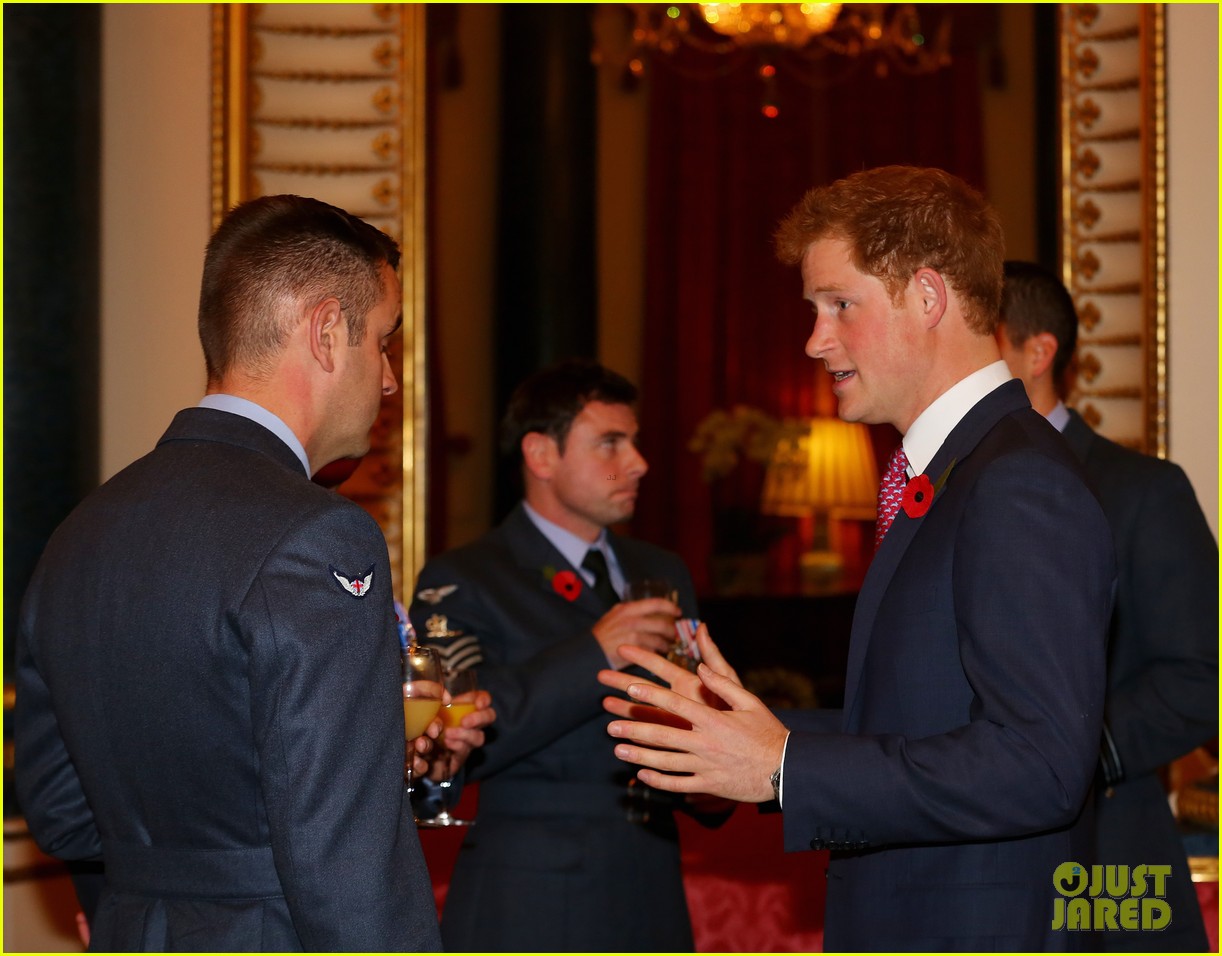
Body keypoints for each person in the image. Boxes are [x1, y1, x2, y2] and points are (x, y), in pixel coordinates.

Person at [600, 166, 1117, 951]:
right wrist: (744, 735)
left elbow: (1041, 763)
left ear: (929, 296)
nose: (815, 339)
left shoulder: (1015, 482)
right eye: (814, 310)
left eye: (840, 304)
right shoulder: (951, 472)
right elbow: (923, 721)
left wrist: (783, 769)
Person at [14, 194, 468, 951]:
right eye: (384, 342)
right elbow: (345, 864)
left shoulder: (78, 532)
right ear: (327, 332)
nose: (388, 379)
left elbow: (61, 809)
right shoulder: (320, 535)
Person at [408, 358, 724, 952]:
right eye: (610, 443)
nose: (637, 463)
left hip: (652, 894)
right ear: (541, 456)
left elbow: (693, 709)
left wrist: (714, 776)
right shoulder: (466, 578)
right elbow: (458, 728)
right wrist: (595, 650)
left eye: (634, 442)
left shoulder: (661, 571)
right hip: (531, 904)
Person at [998, 259, 1217, 952]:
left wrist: (1073, 750)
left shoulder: (1141, 491)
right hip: (970, 875)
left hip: (1109, 864)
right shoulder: (933, 494)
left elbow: (1201, 677)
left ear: (1039, 353)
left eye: (982, 345)